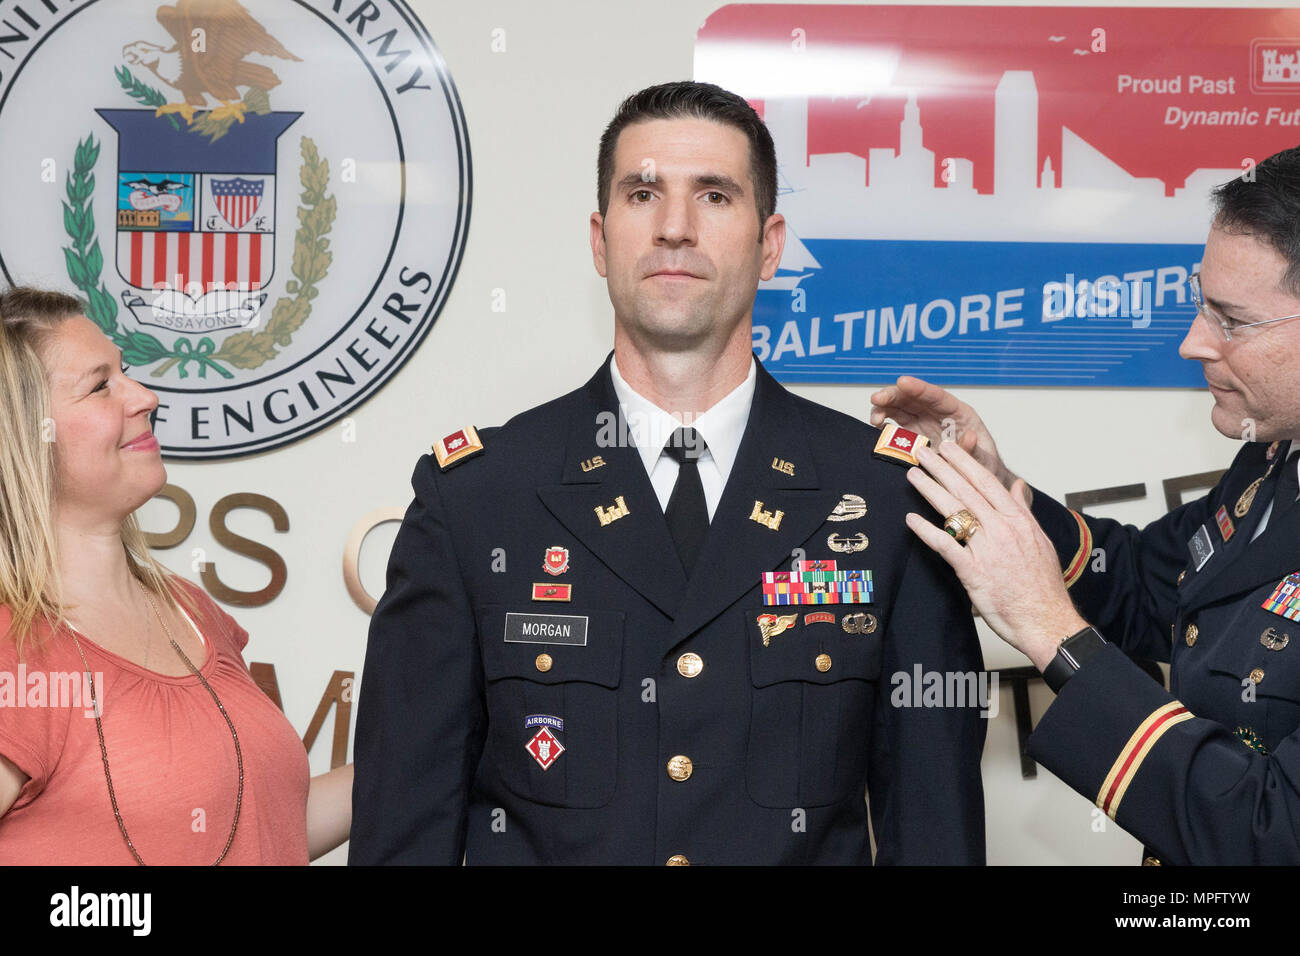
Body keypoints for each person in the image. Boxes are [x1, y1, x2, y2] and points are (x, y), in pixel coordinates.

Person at [349, 81, 986, 865]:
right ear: (600, 237)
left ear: (770, 242)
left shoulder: (888, 499)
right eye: (643, 193)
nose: (676, 228)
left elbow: (936, 830)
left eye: (714, 196)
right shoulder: (478, 498)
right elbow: (403, 829)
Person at [871, 144, 1300, 865]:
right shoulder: (1274, 456)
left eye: (1233, 321)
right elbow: (1140, 583)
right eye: (1202, 305)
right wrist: (994, 482)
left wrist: (1050, 632)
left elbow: (1270, 832)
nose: (1195, 342)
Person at [0, 286, 353, 864]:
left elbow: (266, 829)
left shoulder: (189, 608)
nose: (144, 396)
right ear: (20, 434)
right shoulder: (13, 652)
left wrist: (443, 748)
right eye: (99, 386)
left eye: (127, 372)